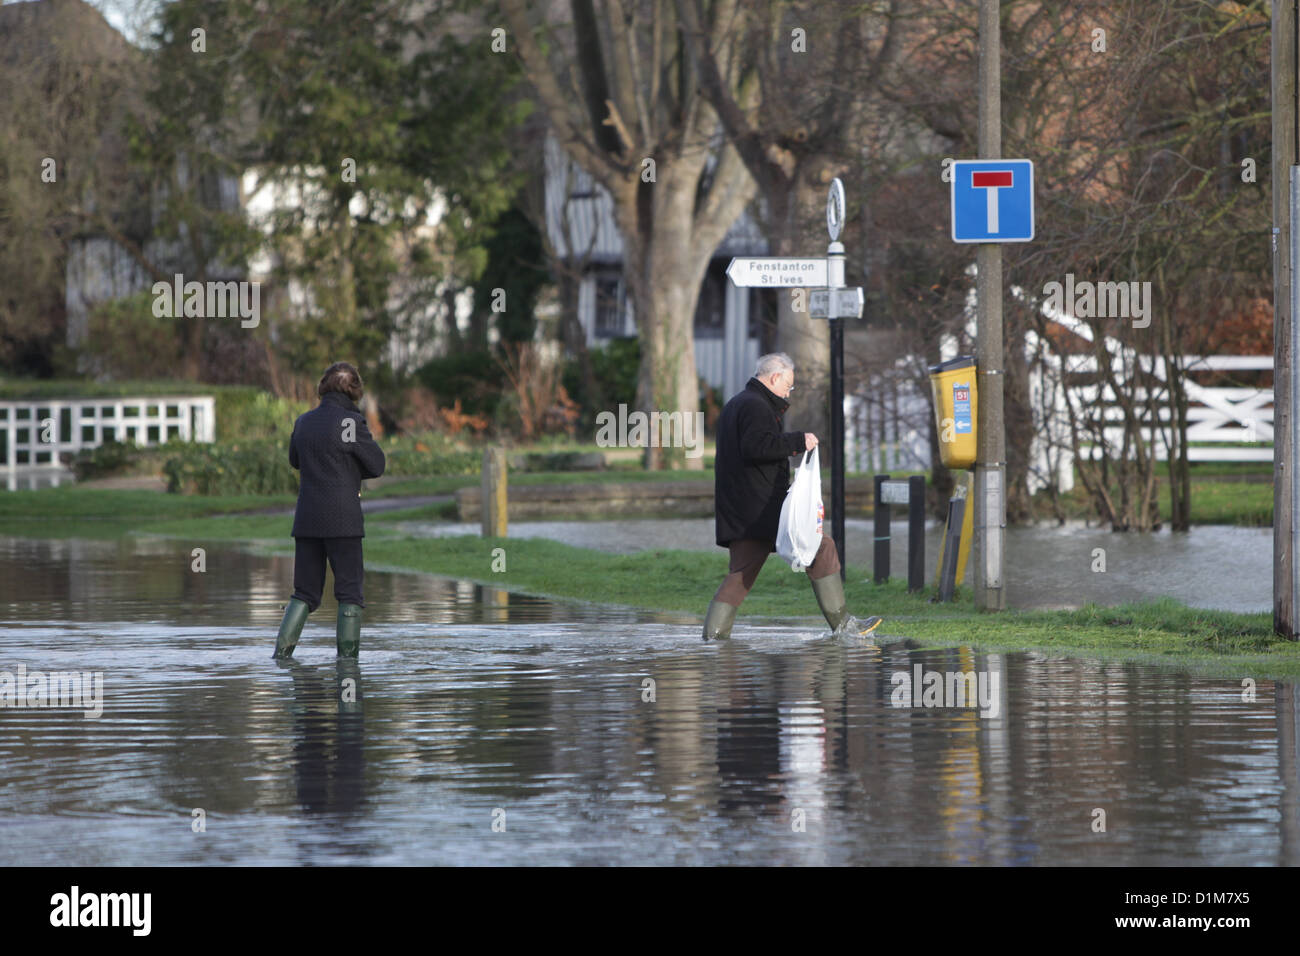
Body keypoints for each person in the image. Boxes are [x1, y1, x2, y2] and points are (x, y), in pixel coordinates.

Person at [703, 352, 882, 641]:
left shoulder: (737, 403)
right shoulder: (756, 406)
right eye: (788, 386)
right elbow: (757, 446)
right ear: (774, 378)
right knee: (821, 546)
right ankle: (844, 625)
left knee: (741, 574)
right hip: (760, 508)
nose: (789, 392)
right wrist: (799, 441)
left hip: (741, 507)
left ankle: (713, 639)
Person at [273, 362, 386, 659]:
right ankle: (347, 667)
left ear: (323, 386)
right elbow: (377, 465)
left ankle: (281, 656)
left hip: (308, 520)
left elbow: (295, 461)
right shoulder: (351, 422)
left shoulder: (304, 421)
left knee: (305, 593)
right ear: (354, 390)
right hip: (343, 522)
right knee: (349, 593)